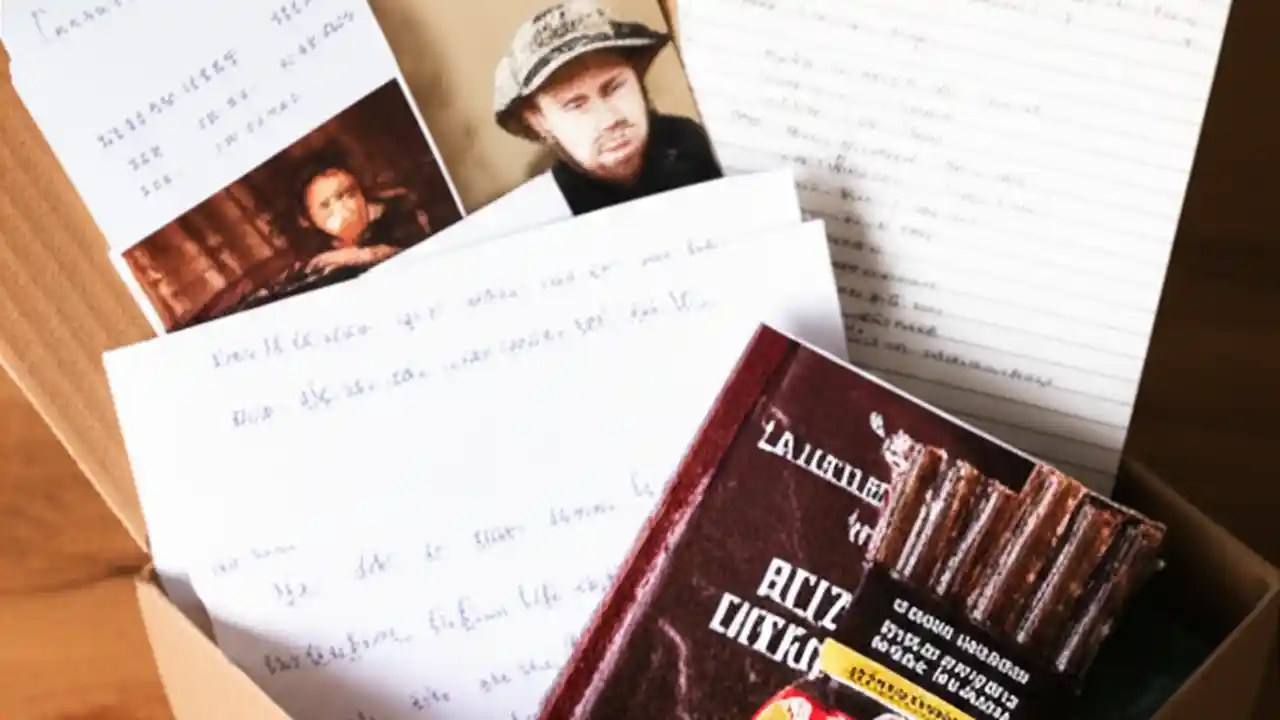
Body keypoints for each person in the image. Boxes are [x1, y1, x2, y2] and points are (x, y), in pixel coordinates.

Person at [493, 0, 722, 215]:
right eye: (576, 105)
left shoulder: (698, 145)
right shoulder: (545, 209)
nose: (609, 119)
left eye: (614, 88)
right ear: (538, 121)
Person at [296, 160, 430, 274]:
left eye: (349, 193)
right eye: (326, 205)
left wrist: (360, 256)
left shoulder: (400, 217)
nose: (342, 207)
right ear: (308, 218)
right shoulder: (317, 254)